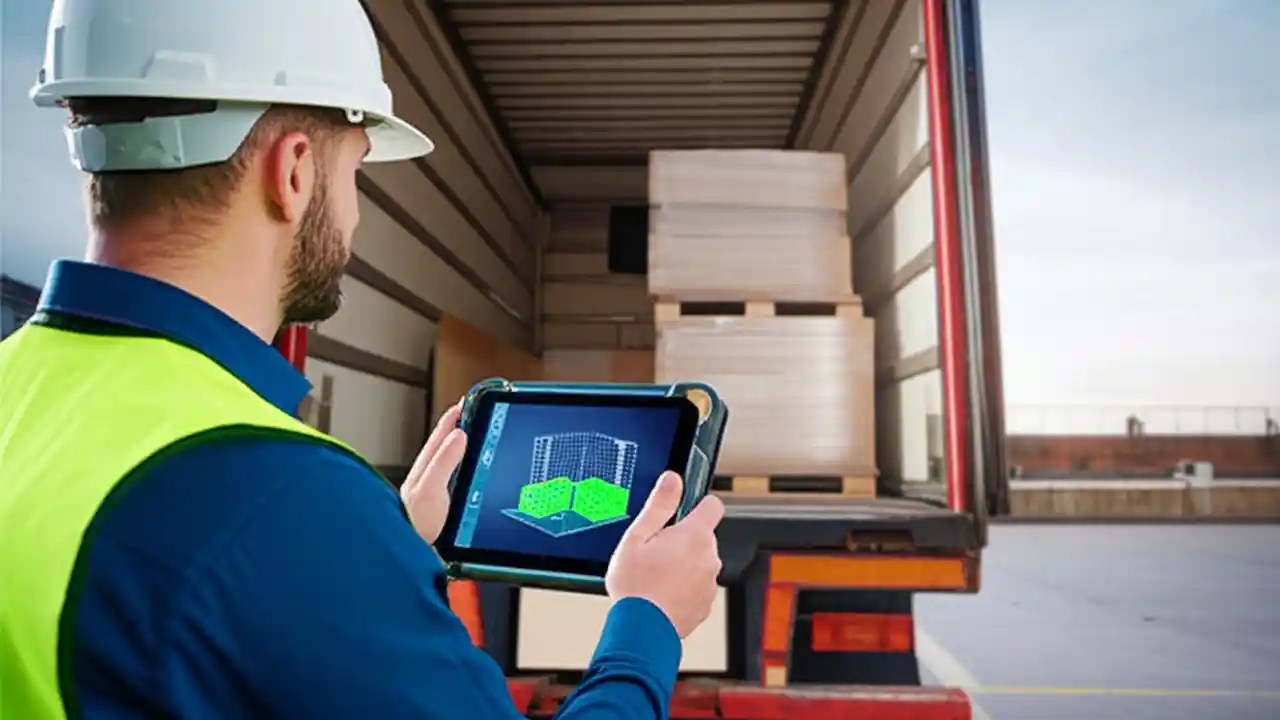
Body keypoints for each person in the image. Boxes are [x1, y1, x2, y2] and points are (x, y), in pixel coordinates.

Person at [0, 0, 725, 717]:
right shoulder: (279, 497)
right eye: (355, 174)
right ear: (293, 172)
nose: (353, 215)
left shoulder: (15, 385)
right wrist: (647, 623)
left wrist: (388, 552)